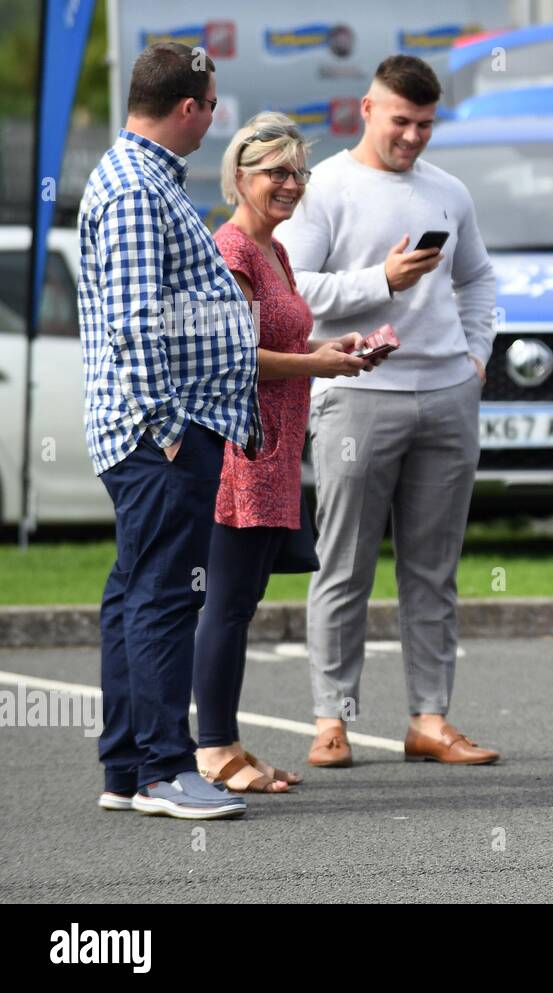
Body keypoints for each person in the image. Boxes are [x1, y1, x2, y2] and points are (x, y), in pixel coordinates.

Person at [277, 55, 499, 768]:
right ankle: (330, 719)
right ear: (365, 108)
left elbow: (478, 278)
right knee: (344, 566)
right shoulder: (323, 190)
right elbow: (290, 292)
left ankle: (429, 718)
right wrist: (380, 280)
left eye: (426, 124)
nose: (412, 136)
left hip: (446, 396)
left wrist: (475, 357)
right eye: (401, 120)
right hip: (355, 393)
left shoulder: (449, 191)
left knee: (433, 570)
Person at [79, 43, 260, 819]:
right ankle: (163, 769)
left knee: (134, 594)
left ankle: (128, 767)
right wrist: (168, 427)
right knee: (162, 598)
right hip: (161, 436)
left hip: (163, 431)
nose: (214, 118)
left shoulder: (144, 181)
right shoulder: (132, 189)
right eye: (212, 105)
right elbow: (132, 322)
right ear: (189, 107)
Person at [192, 113, 383, 793]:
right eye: (275, 171)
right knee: (225, 602)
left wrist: (337, 351)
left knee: (240, 602)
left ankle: (227, 743)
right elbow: (237, 359)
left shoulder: (273, 251)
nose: (291, 184)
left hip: (275, 452)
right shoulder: (232, 248)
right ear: (239, 176)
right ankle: (213, 748)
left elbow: (284, 345)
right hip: (242, 451)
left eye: (298, 171)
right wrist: (321, 367)